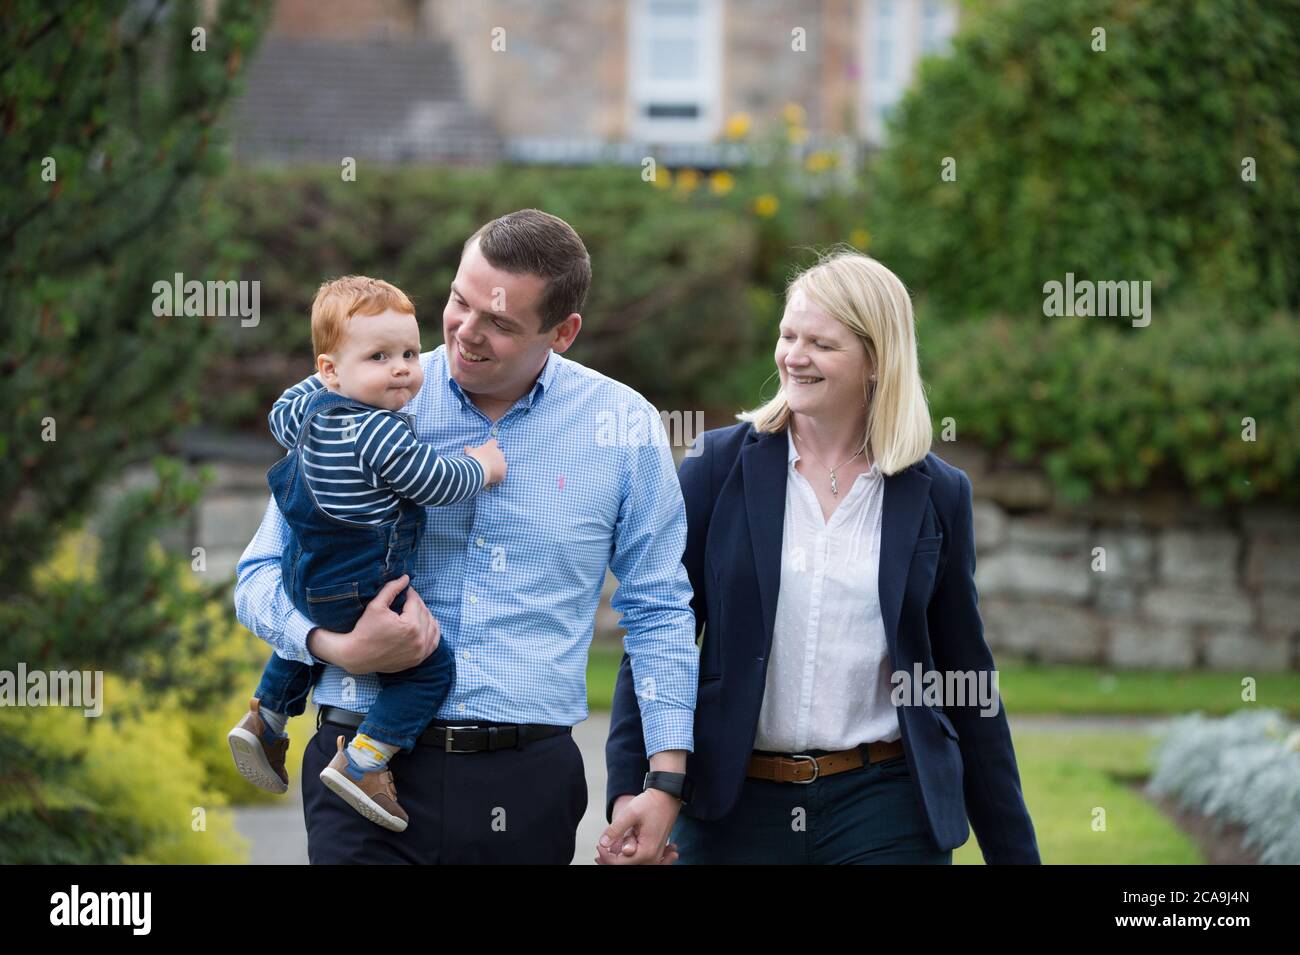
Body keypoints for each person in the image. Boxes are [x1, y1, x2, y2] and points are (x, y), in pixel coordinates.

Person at [234, 210, 697, 864]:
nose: (466, 332)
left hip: (526, 781)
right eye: (459, 301)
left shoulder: (623, 427)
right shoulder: (362, 393)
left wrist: (664, 780)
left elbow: (657, 611)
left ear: (562, 333)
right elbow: (257, 578)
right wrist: (334, 643)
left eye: (500, 323)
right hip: (355, 767)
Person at [602, 249, 1041, 864]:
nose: (793, 356)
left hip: (886, 806)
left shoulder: (938, 493)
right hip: (734, 805)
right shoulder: (715, 467)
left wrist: (1014, 854)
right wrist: (633, 791)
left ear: (875, 361)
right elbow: (658, 636)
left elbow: (965, 677)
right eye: (787, 335)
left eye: (821, 344)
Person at [227, 275, 505, 833]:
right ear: (331, 369)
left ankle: (267, 717)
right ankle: (365, 761)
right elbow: (433, 482)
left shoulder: (303, 416)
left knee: (309, 640)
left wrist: (341, 374)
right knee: (430, 671)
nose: (402, 367)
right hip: (361, 584)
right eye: (379, 357)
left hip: (305, 580)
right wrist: (484, 468)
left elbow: (282, 404)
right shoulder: (381, 432)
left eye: (407, 352)